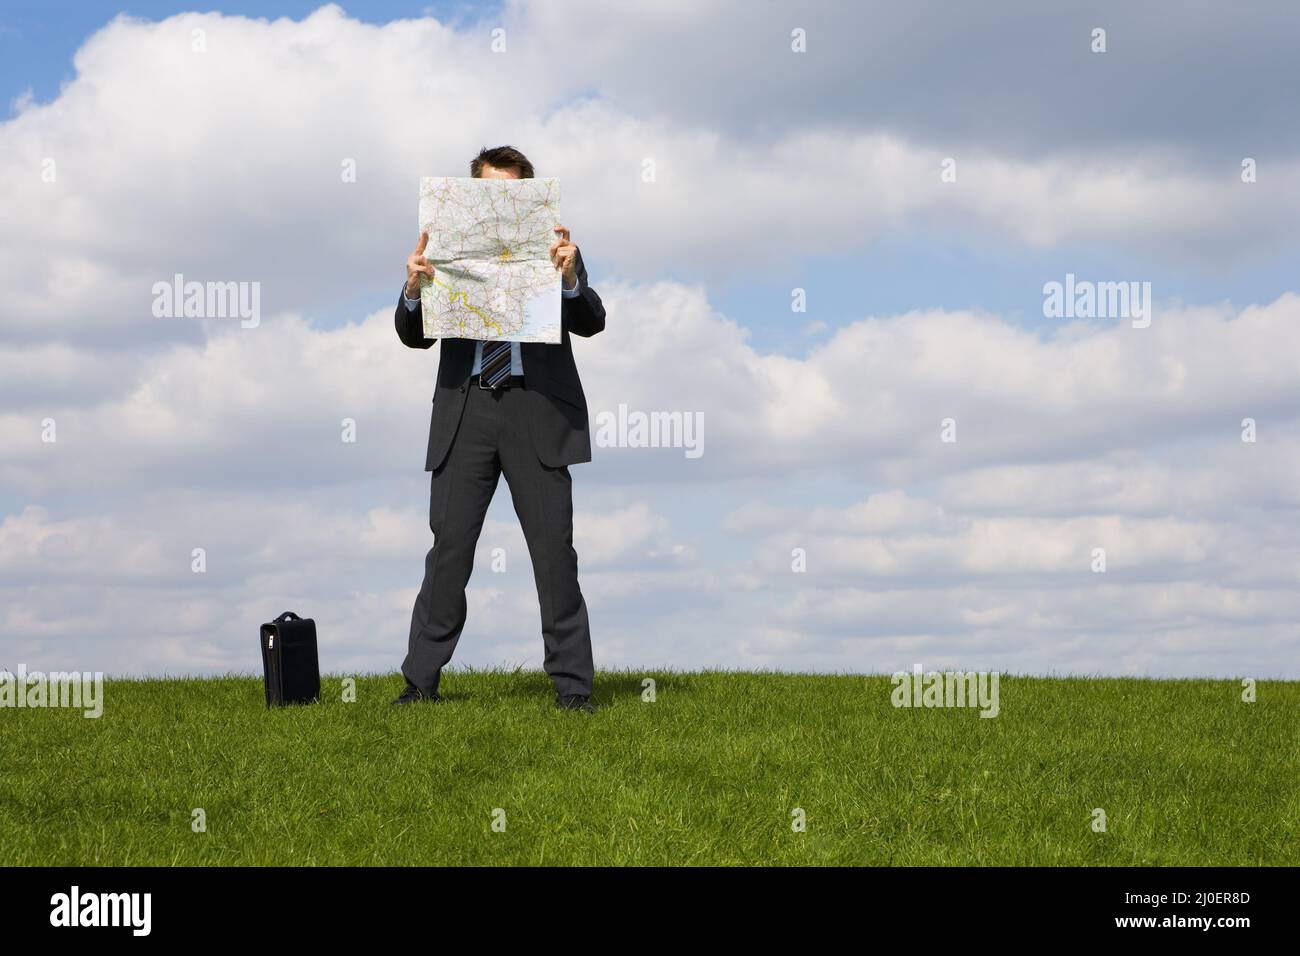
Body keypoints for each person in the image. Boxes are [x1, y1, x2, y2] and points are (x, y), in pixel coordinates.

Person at [392, 145, 605, 713]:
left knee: (554, 553)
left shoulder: (556, 249)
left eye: (508, 191)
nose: (497, 201)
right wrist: (414, 289)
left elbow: (591, 321)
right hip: (467, 414)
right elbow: (414, 336)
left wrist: (568, 279)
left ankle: (574, 690)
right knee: (450, 550)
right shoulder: (444, 247)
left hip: (536, 411)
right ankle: (419, 684)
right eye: (487, 190)